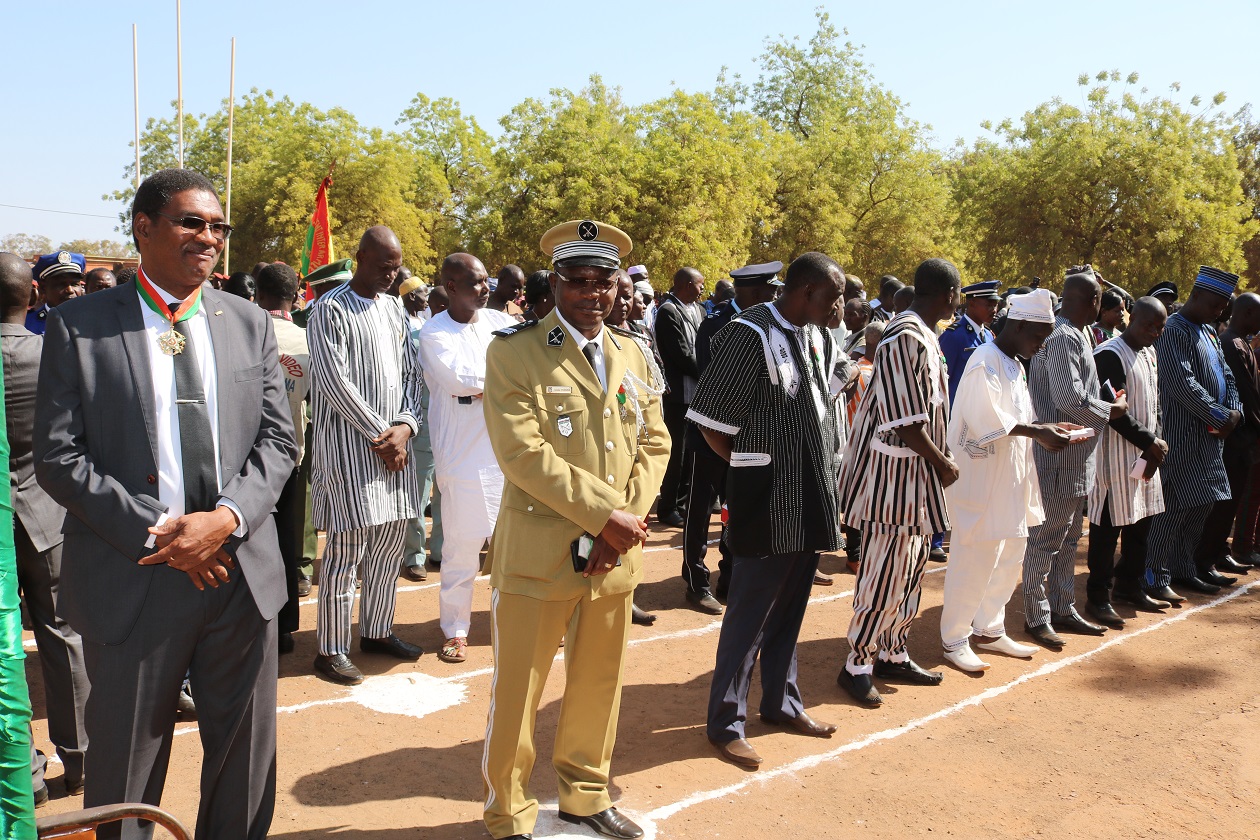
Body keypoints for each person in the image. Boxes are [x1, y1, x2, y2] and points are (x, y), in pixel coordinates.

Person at [34, 168, 296, 839]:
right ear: (144, 228)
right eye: (191, 223)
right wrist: (167, 539)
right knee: (125, 773)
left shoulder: (246, 323)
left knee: (243, 771)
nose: (208, 238)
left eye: (217, 227)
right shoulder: (77, 326)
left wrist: (226, 521)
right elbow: (60, 459)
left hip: (239, 578)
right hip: (137, 578)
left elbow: (278, 441)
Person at [481, 219, 669, 840]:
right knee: (518, 697)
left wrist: (626, 524)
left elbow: (654, 440)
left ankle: (587, 797)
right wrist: (604, 517)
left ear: (617, 286)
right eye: (577, 281)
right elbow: (524, 455)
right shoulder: (514, 352)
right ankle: (508, 815)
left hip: (614, 556)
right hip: (541, 554)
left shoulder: (633, 352)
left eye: (603, 282)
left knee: (598, 686)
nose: (592, 293)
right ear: (554, 284)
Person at [688, 252, 843, 767]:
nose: (839, 306)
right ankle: (725, 722)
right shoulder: (747, 333)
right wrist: (750, 470)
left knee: (790, 608)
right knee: (750, 614)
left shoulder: (819, 335)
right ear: (803, 291)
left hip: (810, 495)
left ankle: (781, 702)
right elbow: (709, 419)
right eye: (832, 296)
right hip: (767, 500)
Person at [836, 259, 961, 707]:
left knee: (911, 566)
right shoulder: (904, 335)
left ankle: (892, 649)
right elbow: (905, 420)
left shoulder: (924, 333)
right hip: (893, 474)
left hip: (916, 473)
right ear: (949, 295)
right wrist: (943, 463)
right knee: (885, 569)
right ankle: (858, 663)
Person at [307, 226, 424, 686]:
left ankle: (376, 631)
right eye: (382, 266)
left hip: (396, 450)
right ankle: (331, 648)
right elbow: (334, 384)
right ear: (359, 258)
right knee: (345, 552)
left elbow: (412, 375)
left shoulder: (395, 308)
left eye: (395, 268)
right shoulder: (328, 310)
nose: (390, 275)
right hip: (351, 453)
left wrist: (407, 426)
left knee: (389, 546)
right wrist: (384, 434)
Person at [939, 289, 1072, 672]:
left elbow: (1018, 420)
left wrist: (1046, 429)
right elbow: (987, 418)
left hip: (1010, 478)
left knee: (1010, 551)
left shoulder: (1013, 363)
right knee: (974, 558)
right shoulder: (985, 360)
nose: (1042, 344)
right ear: (1018, 325)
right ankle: (955, 638)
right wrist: (1039, 432)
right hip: (982, 481)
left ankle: (990, 629)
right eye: (1039, 336)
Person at [0, 253, 88, 804]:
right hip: (45, 515)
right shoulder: (48, 353)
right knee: (63, 637)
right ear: (33, 294)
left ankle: (20, 771)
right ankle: (81, 759)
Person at [418, 254, 517, 663]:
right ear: (452, 287)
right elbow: (463, 381)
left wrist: (493, 382)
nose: (485, 288)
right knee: (461, 550)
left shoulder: (499, 324)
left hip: (507, 455)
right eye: (475, 282)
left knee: (513, 548)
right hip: (461, 457)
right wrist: (501, 381)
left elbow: (518, 369)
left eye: (486, 280)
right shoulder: (433, 333)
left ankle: (515, 623)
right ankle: (455, 631)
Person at [1021, 266, 1124, 650]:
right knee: (1046, 540)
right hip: (1060, 456)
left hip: (1077, 456)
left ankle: (1063, 607)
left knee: (1067, 539)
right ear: (1093, 300)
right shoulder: (1063, 337)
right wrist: (1110, 410)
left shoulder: (1076, 334)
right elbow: (1069, 401)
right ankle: (1037, 615)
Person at [681, 262, 782, 613]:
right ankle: (696, 582)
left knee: (732, 507)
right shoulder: (716, 324)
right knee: (699, 510)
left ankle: (728, 576)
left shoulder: (765, 323)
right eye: (772, 290)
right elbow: (721, 384)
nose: (776, 295)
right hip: (711, 436)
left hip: (745, 439)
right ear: (755, 292)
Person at [1146, 267, 1243, 600]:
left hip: (1210, 437)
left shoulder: (1211, 332)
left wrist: (1234, 412)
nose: (1220, 312)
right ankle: (1153, 574)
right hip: (1181, 435)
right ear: (1197, 295)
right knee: (1173, 507)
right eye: (1216, 304)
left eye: (1223, 308)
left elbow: (1228, 377)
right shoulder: (1175, 330)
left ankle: (1183, 569)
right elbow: (1181, 383)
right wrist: (1219, 415)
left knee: (1200, 506)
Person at [1086, 297, 1172, 620]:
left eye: (1160, 327)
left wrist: (1157, 443)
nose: (1154, 332)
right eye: (1148, 324)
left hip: (1145, 459)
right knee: (1107, 530)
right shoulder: (1109, 355)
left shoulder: (1150, 353)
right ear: (1130, 316)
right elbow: (1114, 413)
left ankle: (1129, 585)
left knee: (1141, 526)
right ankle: (1097, 596)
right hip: (1114, 460)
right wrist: (1151, 442)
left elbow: (1157, 404)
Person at [255, 263, 311, 655]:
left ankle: (260, 625)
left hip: (248, 460)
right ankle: (286, 628)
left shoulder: (245, 332)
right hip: (291, 454)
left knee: (253, 544)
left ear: (257, 294)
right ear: (295, 296)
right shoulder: (307, 340)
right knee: (287, 541)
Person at [1195, 292, 1260, 576]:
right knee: (1223, 502)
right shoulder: (1231, 344)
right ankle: (1207, 557)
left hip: (1244, 435)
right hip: (1235, 437)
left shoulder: (1241, 343)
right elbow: (1245, 396)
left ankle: (1219, 551)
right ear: (1246, 313)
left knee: (1231, 501)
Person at [653, 267, 706, 527]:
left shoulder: (698, 309)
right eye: (699, 285)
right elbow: (682, 355)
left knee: (691, 453)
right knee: (676, 453)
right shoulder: (667, 312)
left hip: (697, 393)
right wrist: (710, 372)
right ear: (686, 284)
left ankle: (683, 503)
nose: (702, 290)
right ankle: (667, 506)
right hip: (678, 396)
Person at [399, 275, 439, 583]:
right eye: (421, 292)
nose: (426, 297)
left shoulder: (436, 331)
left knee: (445, 493)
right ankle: (414, 555)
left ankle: (439, 550)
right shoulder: (405, 332)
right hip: (421, 423)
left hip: (447, 422)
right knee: (418, 493)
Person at [940, 280, 1001, 402]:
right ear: (972, 303)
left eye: (995, 305)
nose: (994, 310)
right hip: (959, 412)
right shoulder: (954, 336)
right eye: (989, 304)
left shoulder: (989, 335)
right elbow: (941, 380)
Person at [26, 251, 84, 335]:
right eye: (61, 284)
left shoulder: (92, 322)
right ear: (43, 288)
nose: (70, 290)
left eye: (74, 284)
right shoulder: (27, 324)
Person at [292, 258, 352, 328]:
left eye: (348, 287)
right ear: (319, 289)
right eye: (339, 288)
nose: (347, 292)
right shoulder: (296, 322)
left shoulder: (353, 315)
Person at [628, 264, 654, 329]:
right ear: (632, 279)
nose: (648, 281)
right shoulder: (628, 301)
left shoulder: (651, 301)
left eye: (648, 278)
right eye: (645, 278)